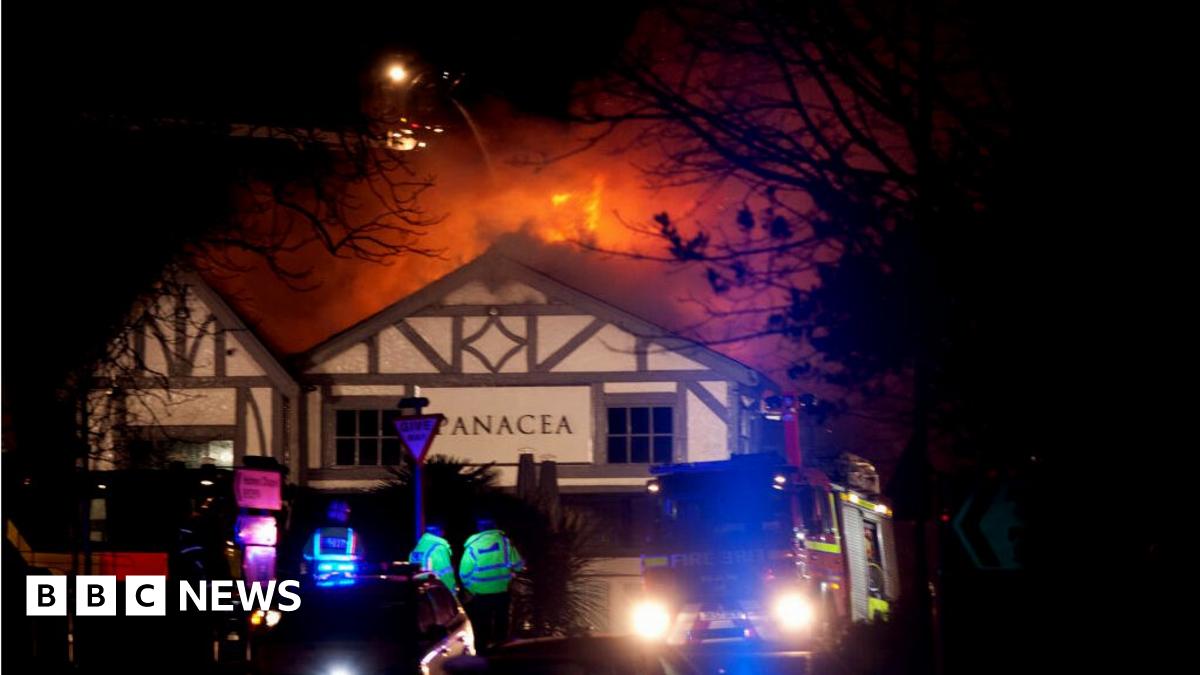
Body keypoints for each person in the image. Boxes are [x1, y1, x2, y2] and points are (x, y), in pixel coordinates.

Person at [459, 517, 525, 651]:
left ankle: (483, 657)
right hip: (502, 592)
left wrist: (472, 588)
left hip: (481, 595)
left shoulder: (473, 546)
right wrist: (513, 573)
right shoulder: (505, 543)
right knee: (501, 626)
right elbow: (518, 565)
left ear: (479, 529)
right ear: (495, 527)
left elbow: (464, 573)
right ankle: (501, 657)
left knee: (482, 627)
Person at [409, 523, 457, 592]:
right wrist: (453, 593)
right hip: (437, 593)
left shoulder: (417, 548)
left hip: (420, 593)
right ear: (439, 531)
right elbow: (445, 574)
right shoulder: (439, 548)